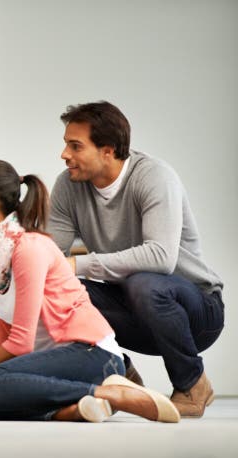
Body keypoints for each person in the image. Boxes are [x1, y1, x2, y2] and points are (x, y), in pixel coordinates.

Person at [0, 160, 180, 423]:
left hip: (91, 356)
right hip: (44, 366)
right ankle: (69, 410)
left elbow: (20, 343)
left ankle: (111, 392)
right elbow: (7, 342)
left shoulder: (29, 247)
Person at [48, 101, 224, 418]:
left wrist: (78, 264)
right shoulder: (68, 186)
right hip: (132, 308)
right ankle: (120, 374)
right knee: (59, 288)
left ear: (108, 150)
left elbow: (161, 258)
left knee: (143, 282)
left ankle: (193, 383)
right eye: (66, 144)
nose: (65, 155)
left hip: (196, 310)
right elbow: (50, 259)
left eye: (75, 146)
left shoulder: (153, 177)